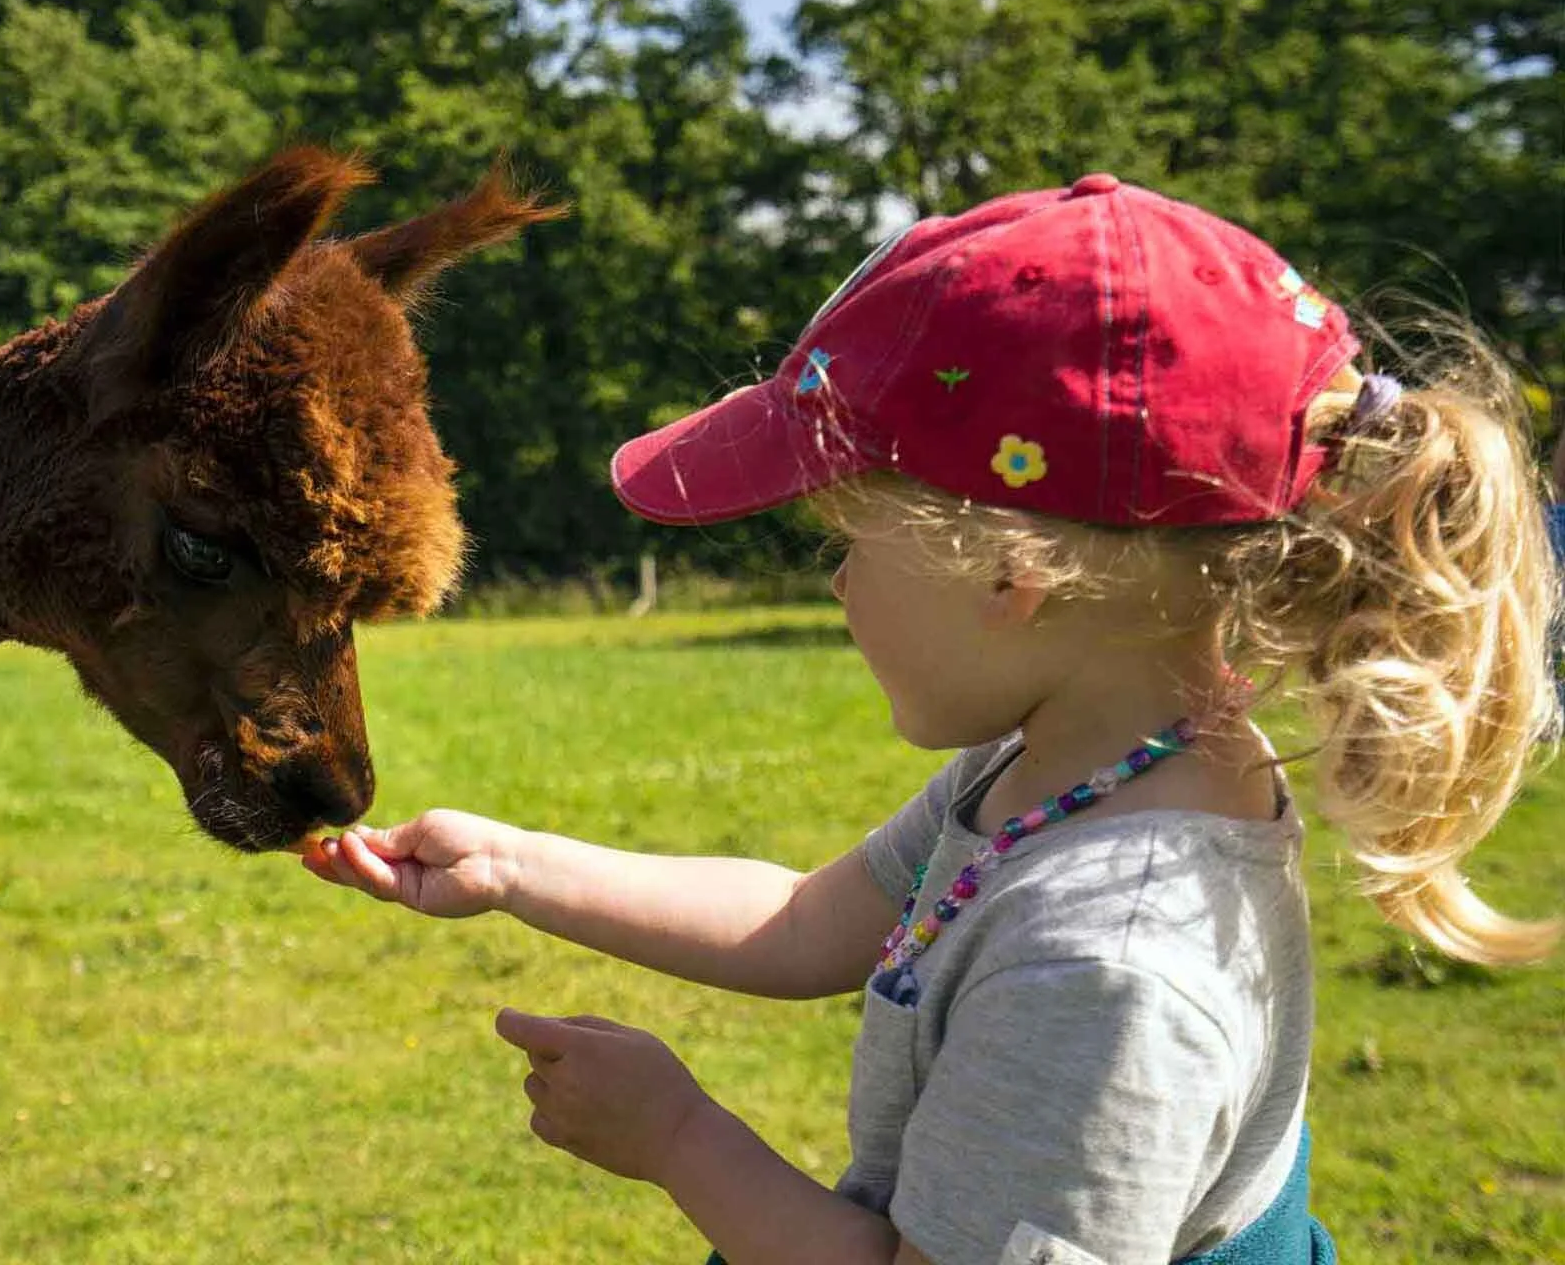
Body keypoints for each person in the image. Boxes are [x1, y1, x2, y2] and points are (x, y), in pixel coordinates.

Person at [302, 174, 1561, 1264]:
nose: (837, 584)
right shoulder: (1057, 771)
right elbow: (808, 924)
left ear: (1012, 574)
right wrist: (514, 867)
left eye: (851, 538)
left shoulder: (1109, 965)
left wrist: (679, 1138)